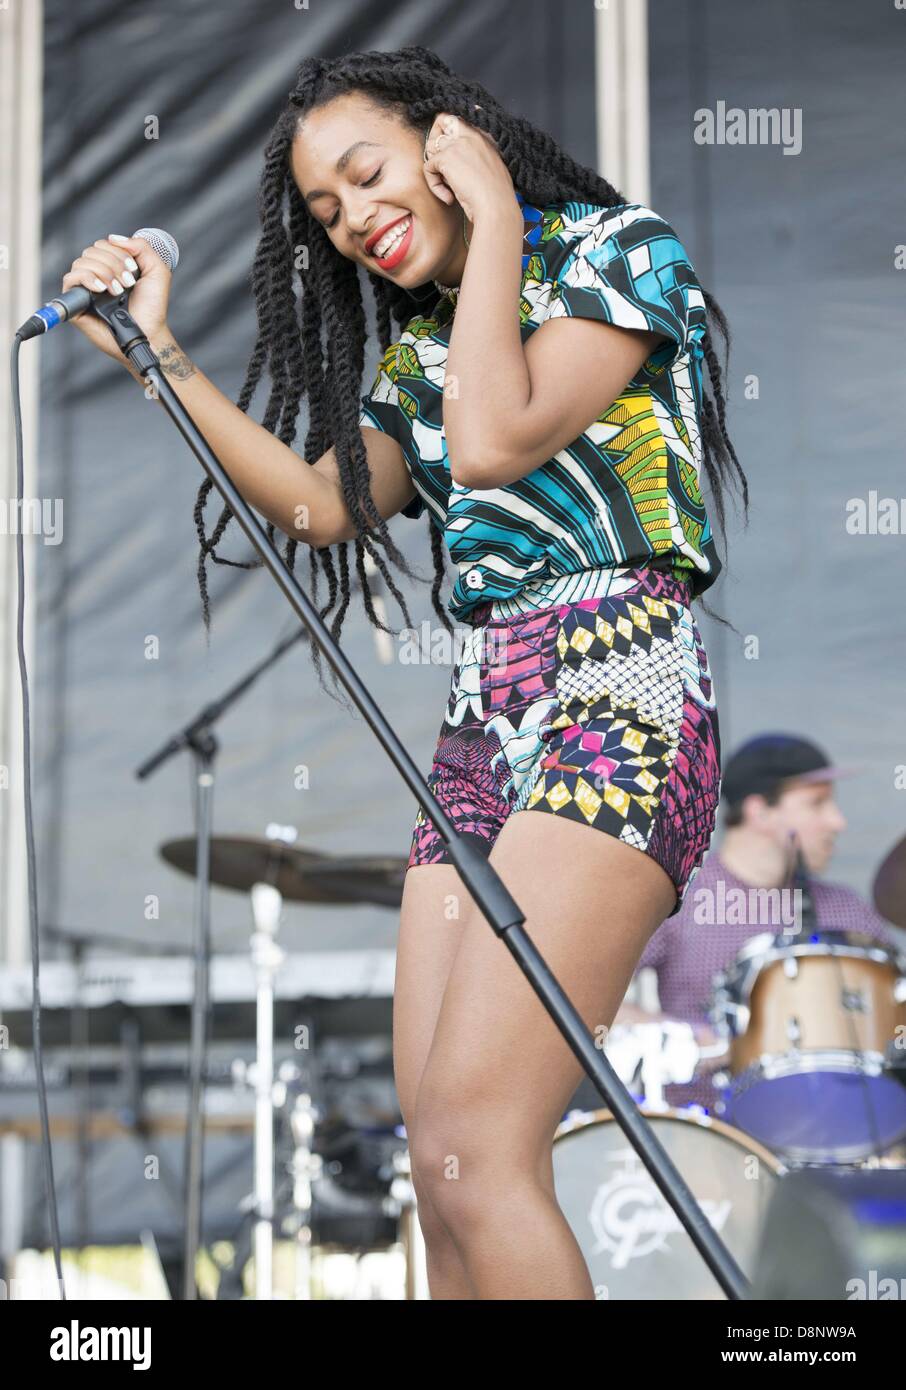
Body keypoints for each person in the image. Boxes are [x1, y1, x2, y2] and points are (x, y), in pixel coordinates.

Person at [61, 46, 748, 1300]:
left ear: (447, 141)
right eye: (324, 216)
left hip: (619, 691)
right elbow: (325, 504)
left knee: (487, 1148)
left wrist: (493, 214)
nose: (353, 222)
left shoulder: (615, 254)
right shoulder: (421, 353)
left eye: (368, 176)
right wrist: (157, 356)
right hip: (481, 728)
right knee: (437, 1163)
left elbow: (493, 442)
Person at [613, 734, 900, 1112]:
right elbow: (590, 997)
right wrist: (683, 1036)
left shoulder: (846, 909)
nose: (837, 821)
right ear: (759, 811)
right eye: (817, 803)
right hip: (707, 1136)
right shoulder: (681, 898)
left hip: (840, 1127)